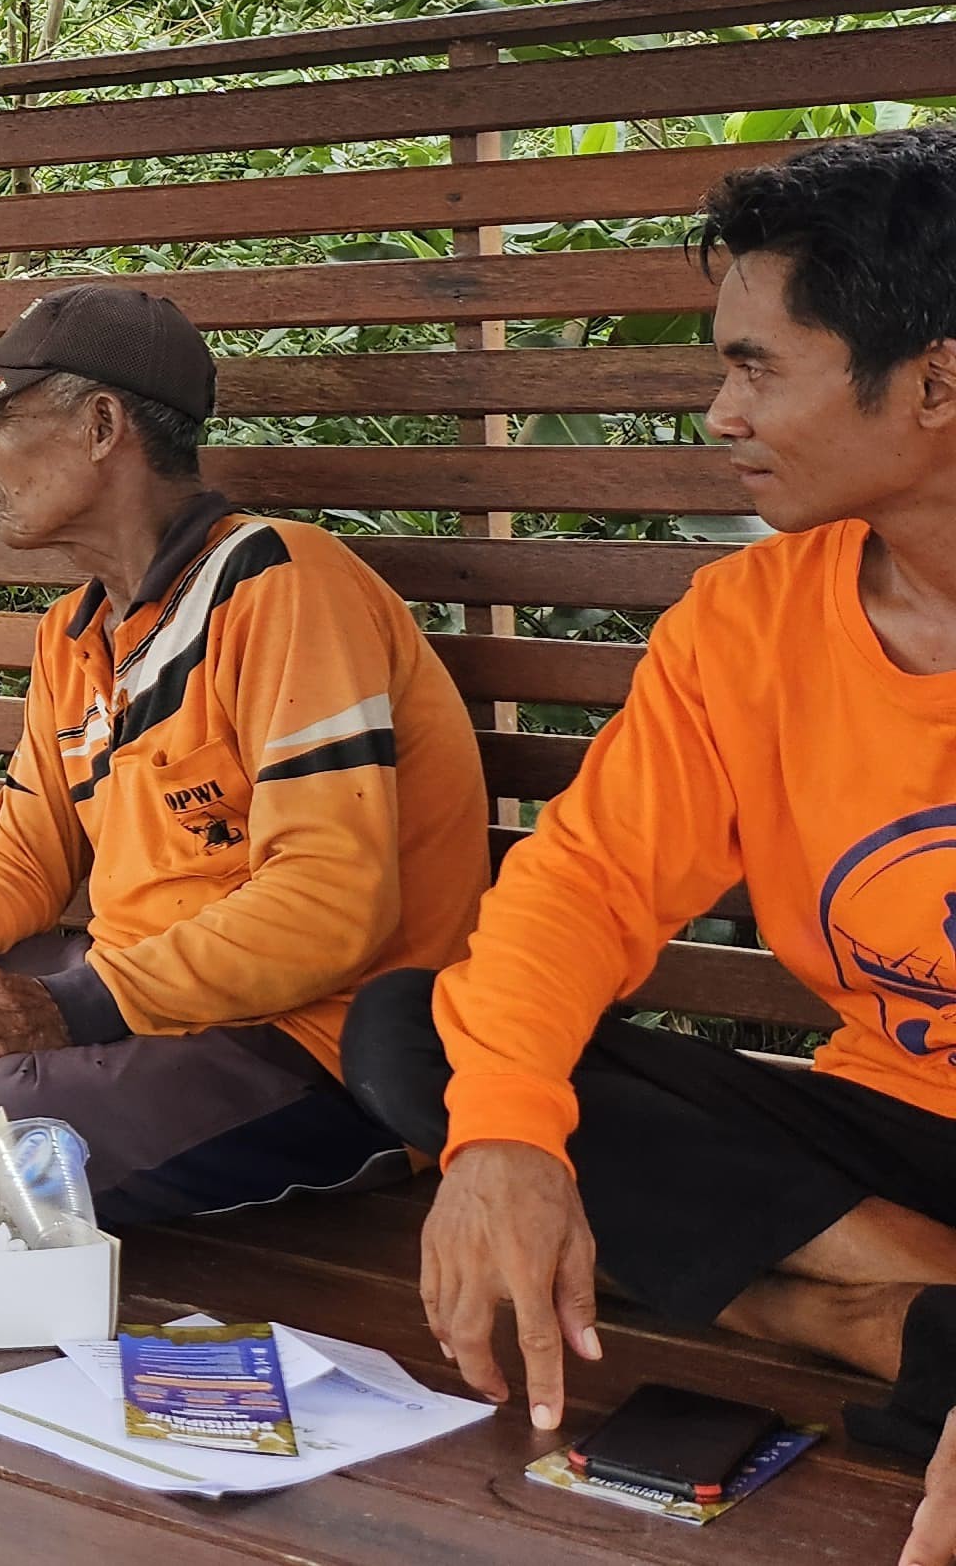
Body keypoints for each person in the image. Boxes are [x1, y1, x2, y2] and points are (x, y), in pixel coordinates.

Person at [342, 130, 956, 1558]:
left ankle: (843, 1317)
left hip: (842, 1197)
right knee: (417, 1036)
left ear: (935, 380)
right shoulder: (748, 621)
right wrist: (505, 1138)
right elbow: (583, 884)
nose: (717, 412)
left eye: (757, 367)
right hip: (893, 1133)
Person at [0, 282, 490, 1224]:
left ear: (101, 426)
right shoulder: (73, 634)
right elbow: (27, 857)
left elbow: (330, 906)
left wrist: (69, 1009)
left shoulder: (282, 586)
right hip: (119, 993)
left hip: (308, 1042)